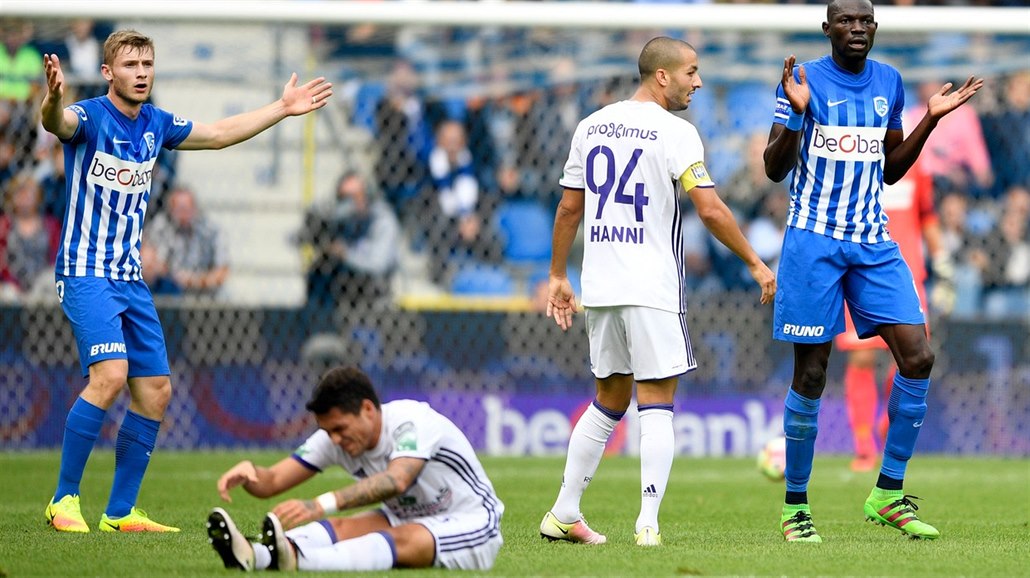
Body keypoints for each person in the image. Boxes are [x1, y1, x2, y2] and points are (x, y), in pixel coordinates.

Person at [40, 29, 332, 533]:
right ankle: (63, 500)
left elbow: (218, 134)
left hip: (129, 278)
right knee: (110, 376)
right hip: (85, 271)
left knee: (154, 389)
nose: (141, 73)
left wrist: (281, 109)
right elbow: (56, 123)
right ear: (109, 73)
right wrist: (52, 99)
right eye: (131, 65)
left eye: (147, 64)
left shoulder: (156, 123)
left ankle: (120, 512)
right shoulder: (89, 116)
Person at [541, 36, 776, 547]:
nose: (699, 82)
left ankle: (563, 512)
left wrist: (559, 274)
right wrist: (757, 264)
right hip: (651, 286)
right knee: (656, 401)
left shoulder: (591, 124)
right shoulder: (676, 132)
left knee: (609, 398)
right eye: (691, 71)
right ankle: (647, 523)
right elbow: (711, 210)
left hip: (600, 287)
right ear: (662, 75)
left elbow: (567, 209)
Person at [763, 0, 982, 542]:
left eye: (865, 22)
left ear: (875, 30)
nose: (856, 29)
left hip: (874, 243)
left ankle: (887, 492)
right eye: (846, 21)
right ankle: (795, 508)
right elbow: (773, 168)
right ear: (827, 28)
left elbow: (890, 170)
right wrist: (795, 112)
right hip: (813, 242)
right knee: (812, 374)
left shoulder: (890, 82)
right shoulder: (802, 78)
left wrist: (929, 118)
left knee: (919, 355)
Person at [207, 366, 504, 572]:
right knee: (342, 528)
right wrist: (250, 474)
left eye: (339, 428)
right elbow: (272, 481)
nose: (333, 439)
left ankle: (297, 560)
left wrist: (320, 504)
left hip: (471, 521)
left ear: (367, 409)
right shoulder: (334, 438)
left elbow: (396, 480)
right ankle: (253, 555)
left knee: (406, 538)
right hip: (404, 516)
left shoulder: (411, 422)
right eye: (327, 431)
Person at [835, 160, 950, 473]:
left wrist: (943, 264)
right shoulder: (853, 154)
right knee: (862, 358)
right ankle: (863, 448)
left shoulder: (915, 164)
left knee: (912, 358)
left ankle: (889, 421)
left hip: (907, 271)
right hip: (858, 268)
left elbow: (927, 214)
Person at [299, 171, 401, 310]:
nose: (349, 202)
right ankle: (316, 317)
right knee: (320, 268)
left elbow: (378, 264)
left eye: (355, 196)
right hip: (341, 284)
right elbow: (298, 238)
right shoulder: (341, 218)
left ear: (367, 195)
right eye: (343, 197)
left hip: (371, 289)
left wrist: (345, 254)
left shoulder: (382, 220)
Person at [140, 184, 229, 298]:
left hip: (204, 296)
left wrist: (194, 281)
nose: (184, 214)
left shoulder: (211, 231)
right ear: (171, 210)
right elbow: (148, 262)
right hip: (167, 293)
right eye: (179, 208)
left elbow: (222, 272)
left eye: (187, 208)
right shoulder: (160, 228)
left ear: (195, 208)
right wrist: (170, 274)